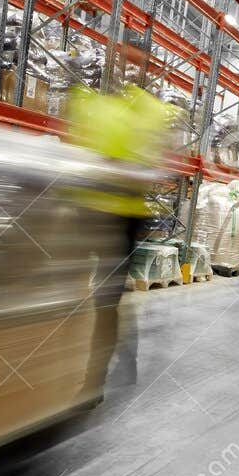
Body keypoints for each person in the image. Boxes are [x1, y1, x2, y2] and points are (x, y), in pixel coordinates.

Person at [64, 85, 174, 389]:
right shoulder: (89, 101)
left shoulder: (150, 111)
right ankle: (78, 368)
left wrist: (115, 172)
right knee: (75, 290)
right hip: (87, 213)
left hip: (123, 220)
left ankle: (93, 378)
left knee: (106, 300)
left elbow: (154, 169)